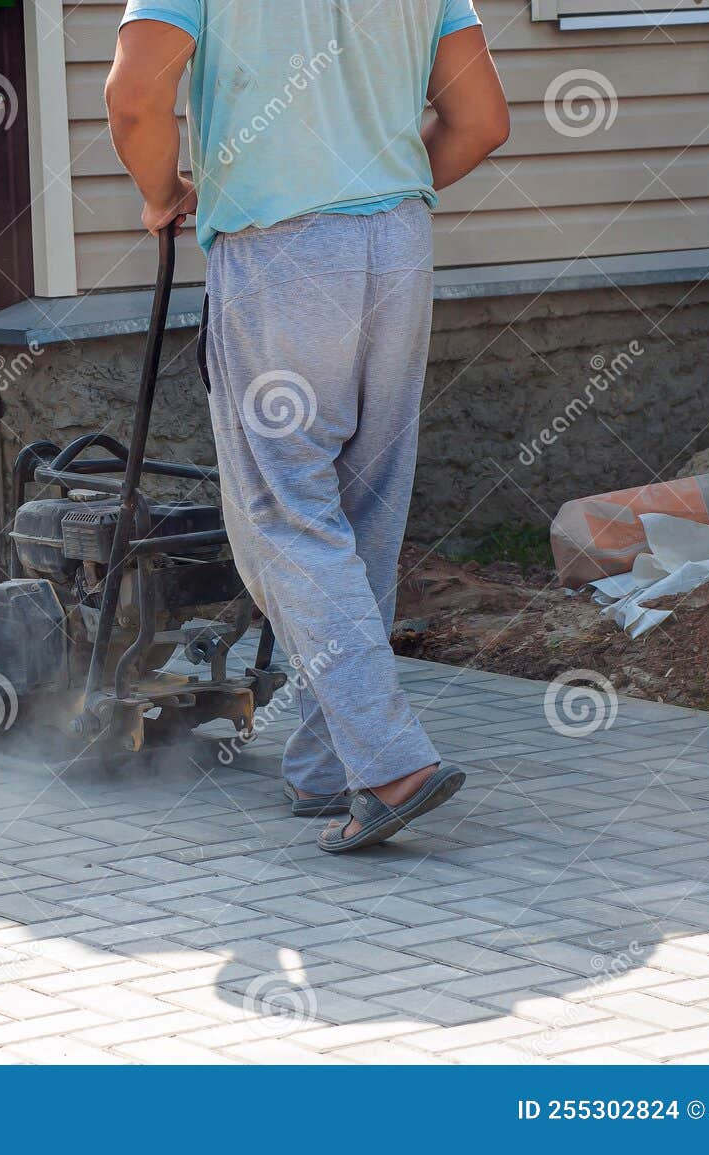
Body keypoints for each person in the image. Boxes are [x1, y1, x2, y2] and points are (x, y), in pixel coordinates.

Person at [106, 1, 509, 852]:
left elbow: (136, 99)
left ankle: (392, 764)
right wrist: (374, 190)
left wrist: (161, 195)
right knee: (362, 512)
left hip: (280, 251)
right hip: (398, 244)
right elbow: (481, 122)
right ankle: (333, 766)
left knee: (284, 517)